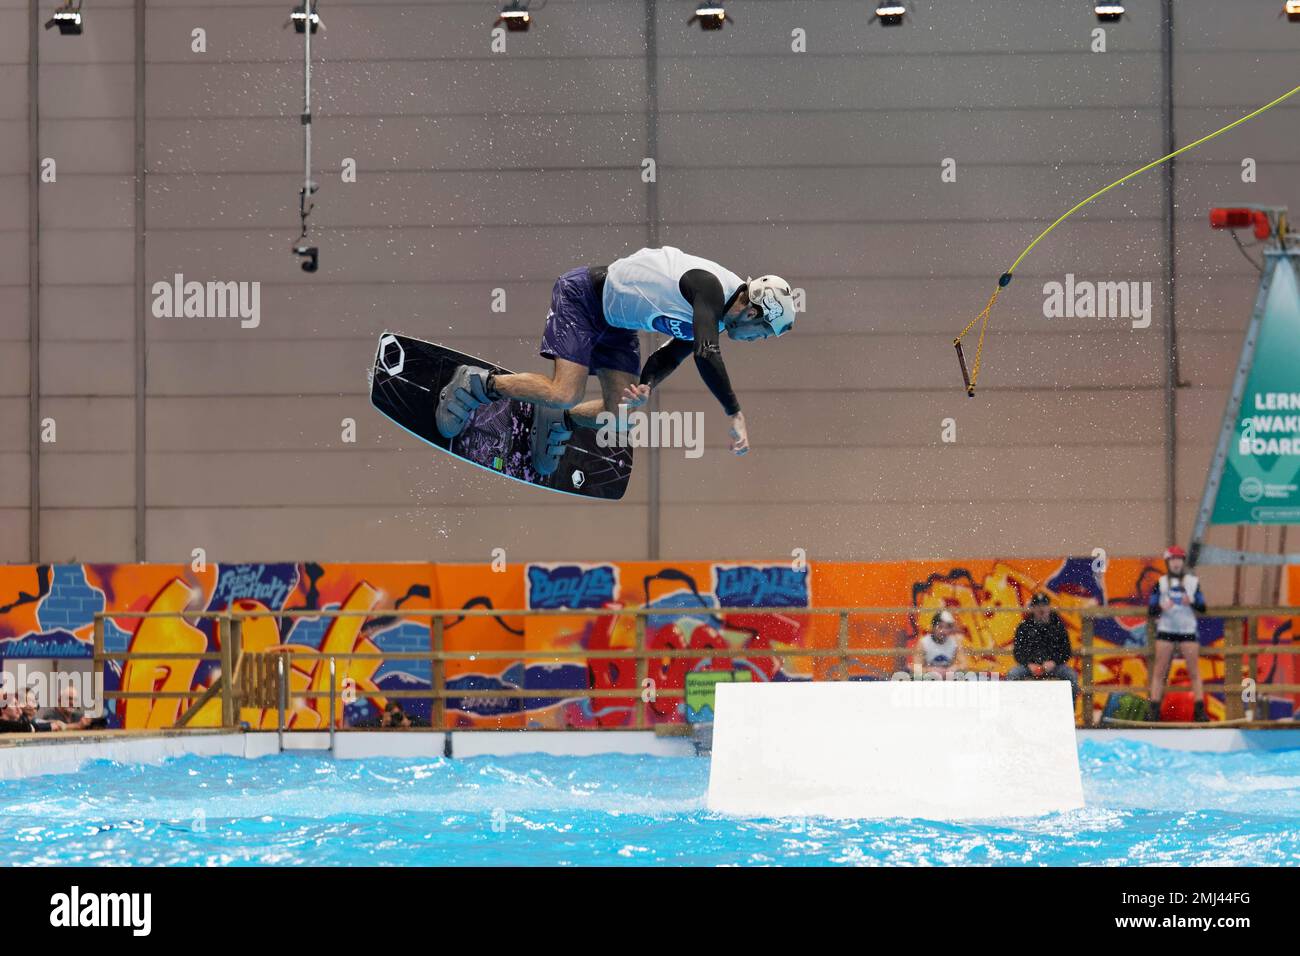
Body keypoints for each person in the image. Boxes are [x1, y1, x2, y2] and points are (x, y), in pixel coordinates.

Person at [434, 246, 796, 474]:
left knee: (621, 420)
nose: (756, 341)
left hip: (619, 327)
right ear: (752, 312)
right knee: (565, 391)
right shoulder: (711, 288)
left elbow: (672, 354)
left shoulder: (715, 317)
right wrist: (734, 412)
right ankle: (476, 384)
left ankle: (559, 420)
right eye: (762, 334)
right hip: (586, 299)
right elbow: (705, 353)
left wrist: (646, 385)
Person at [1146, 545, 1208, 722]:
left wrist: (1192, 601)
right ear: (1167, 562)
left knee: (1194, 671)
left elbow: (1203, 607)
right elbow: (1151, 609)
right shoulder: (1161, 583)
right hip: (1166, 630)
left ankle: (1199, 711)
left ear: (1183, 562)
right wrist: (1160, 606)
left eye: (1179, 559)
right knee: (1159, 671)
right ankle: (1154, 711)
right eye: (1173, 559)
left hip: (1187, 630)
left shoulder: (1192, 582)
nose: (1176, 563)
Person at [1007, 593, 1079, 699]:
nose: (1041, 609)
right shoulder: (1024, 627)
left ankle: (1070, 712)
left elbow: (1066, 651)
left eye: (1044, 605)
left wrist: (1054, 662)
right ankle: (1012, 711)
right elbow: (1018, 652)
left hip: (1055, 667)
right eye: (1037, 606)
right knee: (1012, 675)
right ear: (1033, 608)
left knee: (1072, 676)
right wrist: (1029, 664)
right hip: (1029, 667)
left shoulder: (1058, 626)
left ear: (1049, 607)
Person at [913, 609, 967, 679]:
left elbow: (964, 665)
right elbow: (916, 668)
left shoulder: (955, 642)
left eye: (947, 628)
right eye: (940, 627)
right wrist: (928, 671)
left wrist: (954, 668)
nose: (943, 631)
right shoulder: (923, 643)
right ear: (933, 627)